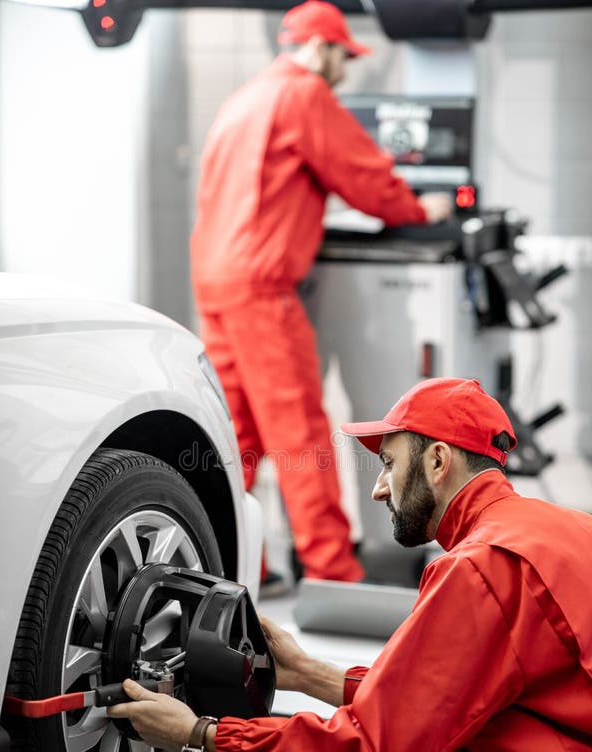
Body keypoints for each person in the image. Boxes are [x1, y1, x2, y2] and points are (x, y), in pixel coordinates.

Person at [110, 377, 592, 752]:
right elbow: (431, 707)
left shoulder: (481, 567)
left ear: (436, 462)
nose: (379, 488)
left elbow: (372, 749)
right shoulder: (558, 530)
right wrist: (308, 673)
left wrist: (203, 736)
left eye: (389, 463)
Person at [190, 0, 453, 585]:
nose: (344, 71)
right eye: (344, 57)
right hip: (260, 286)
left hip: (216, 278)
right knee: (299, 434)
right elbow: (361, 174)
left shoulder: (246, 97)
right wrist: (417, 207)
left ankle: (235, 567)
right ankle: (333, 573)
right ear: (323, 48)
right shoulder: (304, 95)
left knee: (235, 440)